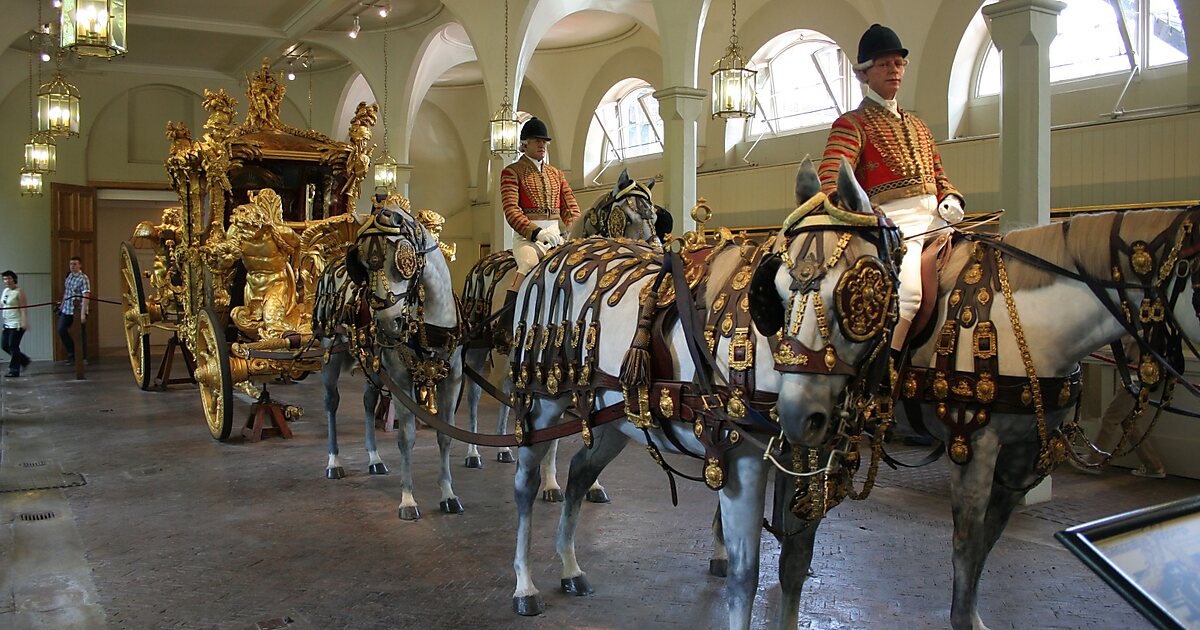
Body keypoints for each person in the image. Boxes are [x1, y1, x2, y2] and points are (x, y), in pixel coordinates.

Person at [819, 24, 965, 356]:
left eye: (898, 64)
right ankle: (885, 373)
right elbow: (831, 181)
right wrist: (866, 219)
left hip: (938, 220)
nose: (894, 71)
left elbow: (940, 176)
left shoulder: (918, 125)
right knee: (910, 295)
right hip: (893, 226)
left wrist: (951, 197)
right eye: (884, 65)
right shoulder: (852, 123)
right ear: (864, 74)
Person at [496, 117, 581, 341]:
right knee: (529, 264)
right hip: (528, 239)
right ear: (525, 144)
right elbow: (512, 211)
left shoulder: (556, 174)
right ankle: (505, 326)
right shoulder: (512, 172)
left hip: (556, 235)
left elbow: (570, 206)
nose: (542, 145)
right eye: (536, 141)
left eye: (544, 142)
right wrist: (537, 233)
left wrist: (573, 229)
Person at [1075, 338, 1167, 478]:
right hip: (1137, 375)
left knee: (1110, 419)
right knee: (1129, 423)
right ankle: (1153, 465)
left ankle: (1095, 461)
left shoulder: (1141, 326)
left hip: (1136, 377)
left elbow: (1124, 337)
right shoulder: (1147, 326)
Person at [57, 255, 91, 364]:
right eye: (71, 264)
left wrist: (83, 313)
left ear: (79, 265)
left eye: (75, 264)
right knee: (61, 330)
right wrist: (61, 306)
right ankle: (72, 353)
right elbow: (66, 293)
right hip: (67, 309)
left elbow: (86, 295)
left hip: (78, 309)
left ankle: (83, 357)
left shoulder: (83, 278)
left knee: (80, 335)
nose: (72, 266)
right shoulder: (69, 276)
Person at [2, 270, 30, 377]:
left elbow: (24, 308)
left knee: (13, 346)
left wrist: (24, 322)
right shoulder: (5, 291)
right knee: (5, 345)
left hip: (16, 323)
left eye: (9, 278)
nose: (7, 281)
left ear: (14, 279)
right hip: (7, 322)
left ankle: (14, 370)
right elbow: (3, 304)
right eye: (5, 279)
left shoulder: (19, 291)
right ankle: (24, 360)